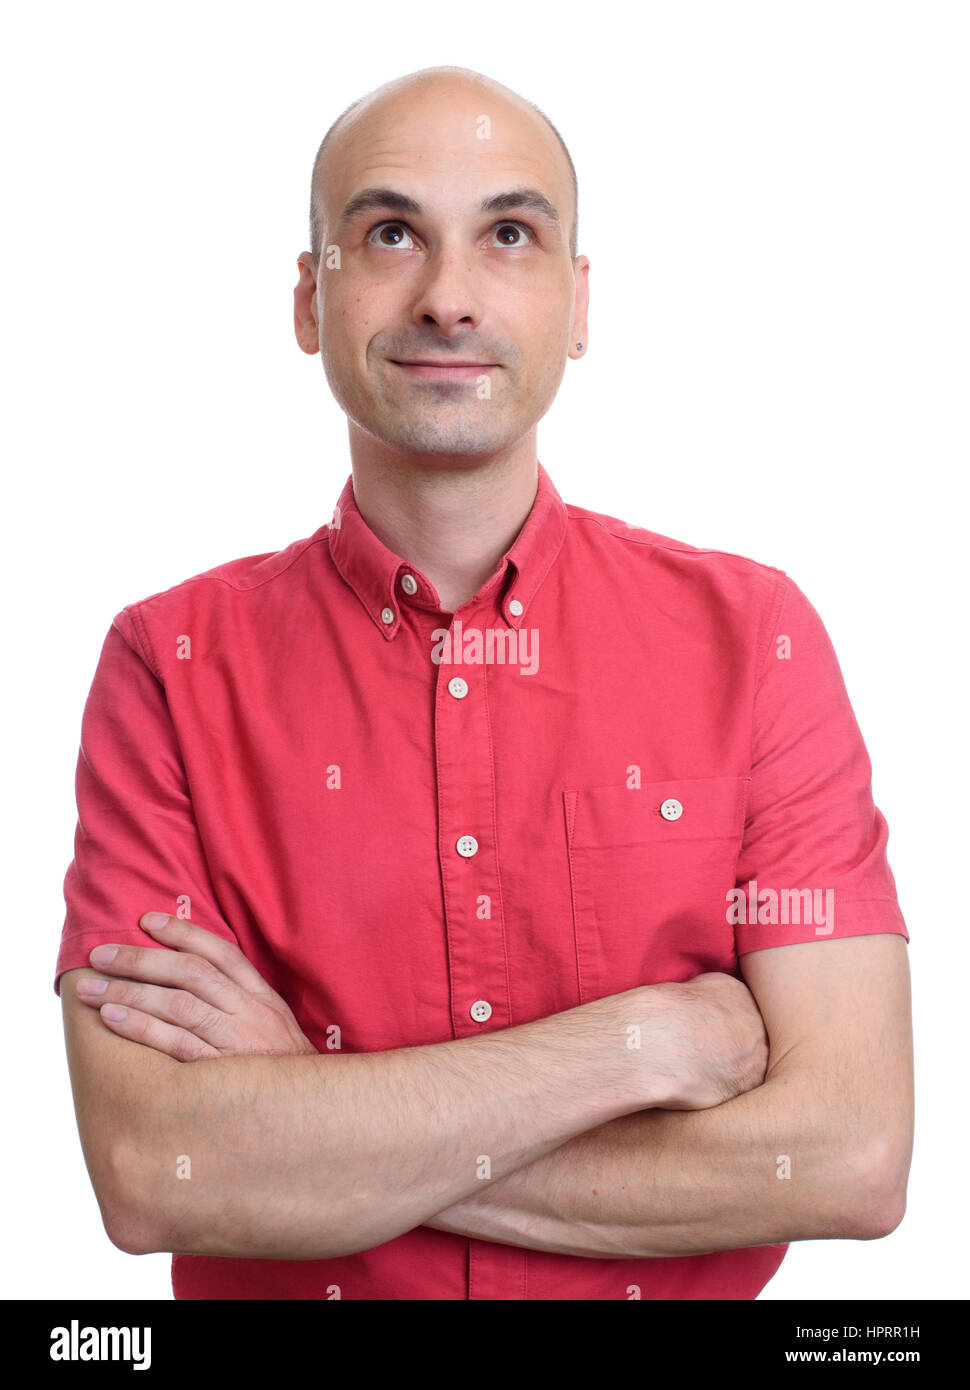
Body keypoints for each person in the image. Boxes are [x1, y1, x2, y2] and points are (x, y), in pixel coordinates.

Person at [55, 65, 913, 1301]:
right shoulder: (168, 665)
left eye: (507, 234)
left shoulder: (755, 638)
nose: (447, 298)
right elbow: (154, 1169)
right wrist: (635, 1046)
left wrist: (307, 1111)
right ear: (310, 297)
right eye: (390, 232)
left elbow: (848, 1155)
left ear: (576, 303)